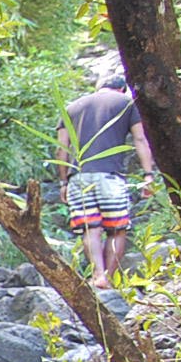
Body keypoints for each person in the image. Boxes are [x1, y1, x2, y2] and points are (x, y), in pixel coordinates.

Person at [56, 71, 157, 289]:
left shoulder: (72, 107)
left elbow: (61, 150)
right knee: (116, 229)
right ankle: (107, 280)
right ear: (121, 88)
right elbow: (140, 139)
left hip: (78, 177)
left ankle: (97, 275)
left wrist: (63, 182)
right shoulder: (126, 103)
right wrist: (148, 174)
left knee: (90, 229)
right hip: (110, 176)